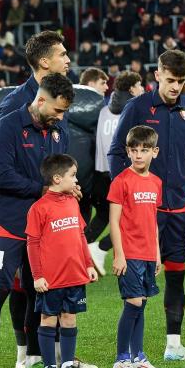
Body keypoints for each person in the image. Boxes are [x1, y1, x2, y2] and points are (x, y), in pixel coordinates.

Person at [109, 51, 185, 360]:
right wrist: (125, 191)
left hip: (178, 207)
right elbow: (116, 151)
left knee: (176, 275)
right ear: (157, 75)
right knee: (141, 278)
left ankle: (173, 346)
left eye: (180, 82)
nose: (175, 87)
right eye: (170, 80)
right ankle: (132, 353)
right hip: (143, 211)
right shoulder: (138, 107)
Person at [0, 73, 75, 368]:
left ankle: (33, 358)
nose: (61, 118)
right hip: (8, 222)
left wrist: (70, 187)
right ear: (41, 100)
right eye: (58, 111)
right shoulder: (7, 126)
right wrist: (45, 190)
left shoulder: (58, 131)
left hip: (44, 227)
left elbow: (62, 173)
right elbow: (3, 176)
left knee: (38, 290)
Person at [25, 154, 99, 368]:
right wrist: (37, 276)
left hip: (74, 275)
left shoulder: (72, 202)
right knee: (48, 320)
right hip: (51, 279)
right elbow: (32, 243)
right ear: (57, 178)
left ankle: (66, 367)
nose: (76, 180)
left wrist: (88, 264)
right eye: (73, 175)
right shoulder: (39, 208)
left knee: (69, 319)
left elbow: (79, 235)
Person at [108, 125, 164, 368]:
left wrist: (158, 254)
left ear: (155, 152)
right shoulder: (121, 182)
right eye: (134, 150)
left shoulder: (156, 182)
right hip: (129, 253)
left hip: (148, 254)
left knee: (141, 305)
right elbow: (114, 221)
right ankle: (121, 358)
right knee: (133, 303)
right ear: (128, 151)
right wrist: (119, 254)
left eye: (145, 150)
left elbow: (152, 221)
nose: (139, 155)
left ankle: (138, 356)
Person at [90, 72, 143, 267]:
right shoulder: (133, 111)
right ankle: (101, 248)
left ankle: (81, 251)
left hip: (100, 174)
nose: (142, 89)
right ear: (131, 89)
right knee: (132, 218)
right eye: (139, 86)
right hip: (121, 174)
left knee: (104, 215)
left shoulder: (104, 111)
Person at [70, 67, 108, 270]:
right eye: (103, 83)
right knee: (103, 213)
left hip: (86, 176)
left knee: (84, 216)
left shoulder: (68, 109)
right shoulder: (93, 108)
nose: (106, 87)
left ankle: (79, 252)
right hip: (88, 177)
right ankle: (82, 251)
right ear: (91, 84)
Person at [0, 31, 73, 118]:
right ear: (44, 62)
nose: (68, 60)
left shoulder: (62, 96)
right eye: (62, 55)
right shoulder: (14, 103)